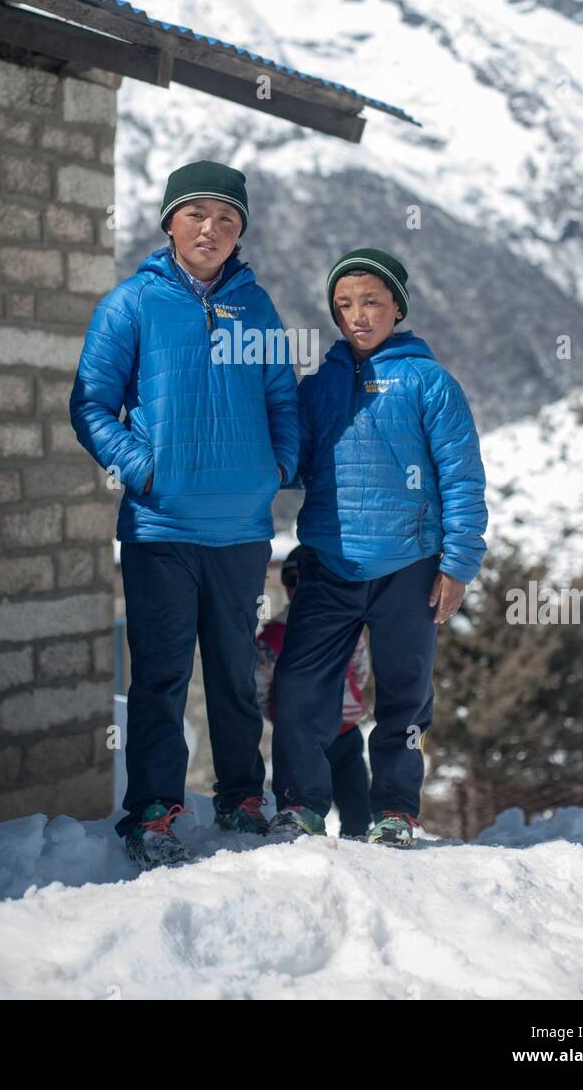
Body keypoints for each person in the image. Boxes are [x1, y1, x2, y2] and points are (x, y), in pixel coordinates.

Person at [69, 160, 299, 871]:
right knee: (161, 678)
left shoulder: (256, 308)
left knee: (234, 674)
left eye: (228, 220)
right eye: (198, 214)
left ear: (239, 235)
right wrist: (141, 468)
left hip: (240, 531)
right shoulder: (130, 305)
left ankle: (241, 799)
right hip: (160, 530)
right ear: (170, 222)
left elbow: (282, 399)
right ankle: (153, 811)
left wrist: (277, 468)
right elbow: (90, 404)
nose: (212, 229)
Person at [269, 248, 487, 848]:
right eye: (343, 306)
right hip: (329, 564)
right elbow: (291, 462)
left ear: (397, 306)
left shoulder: (429, 384)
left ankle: (396, 811)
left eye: (370, 302)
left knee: (405, 699)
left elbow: (462, 477)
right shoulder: (318, 388)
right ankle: (302, 806)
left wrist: (458, 564)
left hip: (409, 568)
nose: (357, 316)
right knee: (298, 691)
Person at [255, 547, 372, 839]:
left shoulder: (348, 626)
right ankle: (303, 846)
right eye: (293, 579)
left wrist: (347, 699)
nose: (300, 585)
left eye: (306, 577)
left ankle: (359, 854)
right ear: (285, 584)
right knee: (302, 802)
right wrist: (280, 718)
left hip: (345, 732)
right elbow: (260, 687)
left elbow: (360, 668)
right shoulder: (272, 636)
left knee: (357, 806)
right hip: (300, 735)